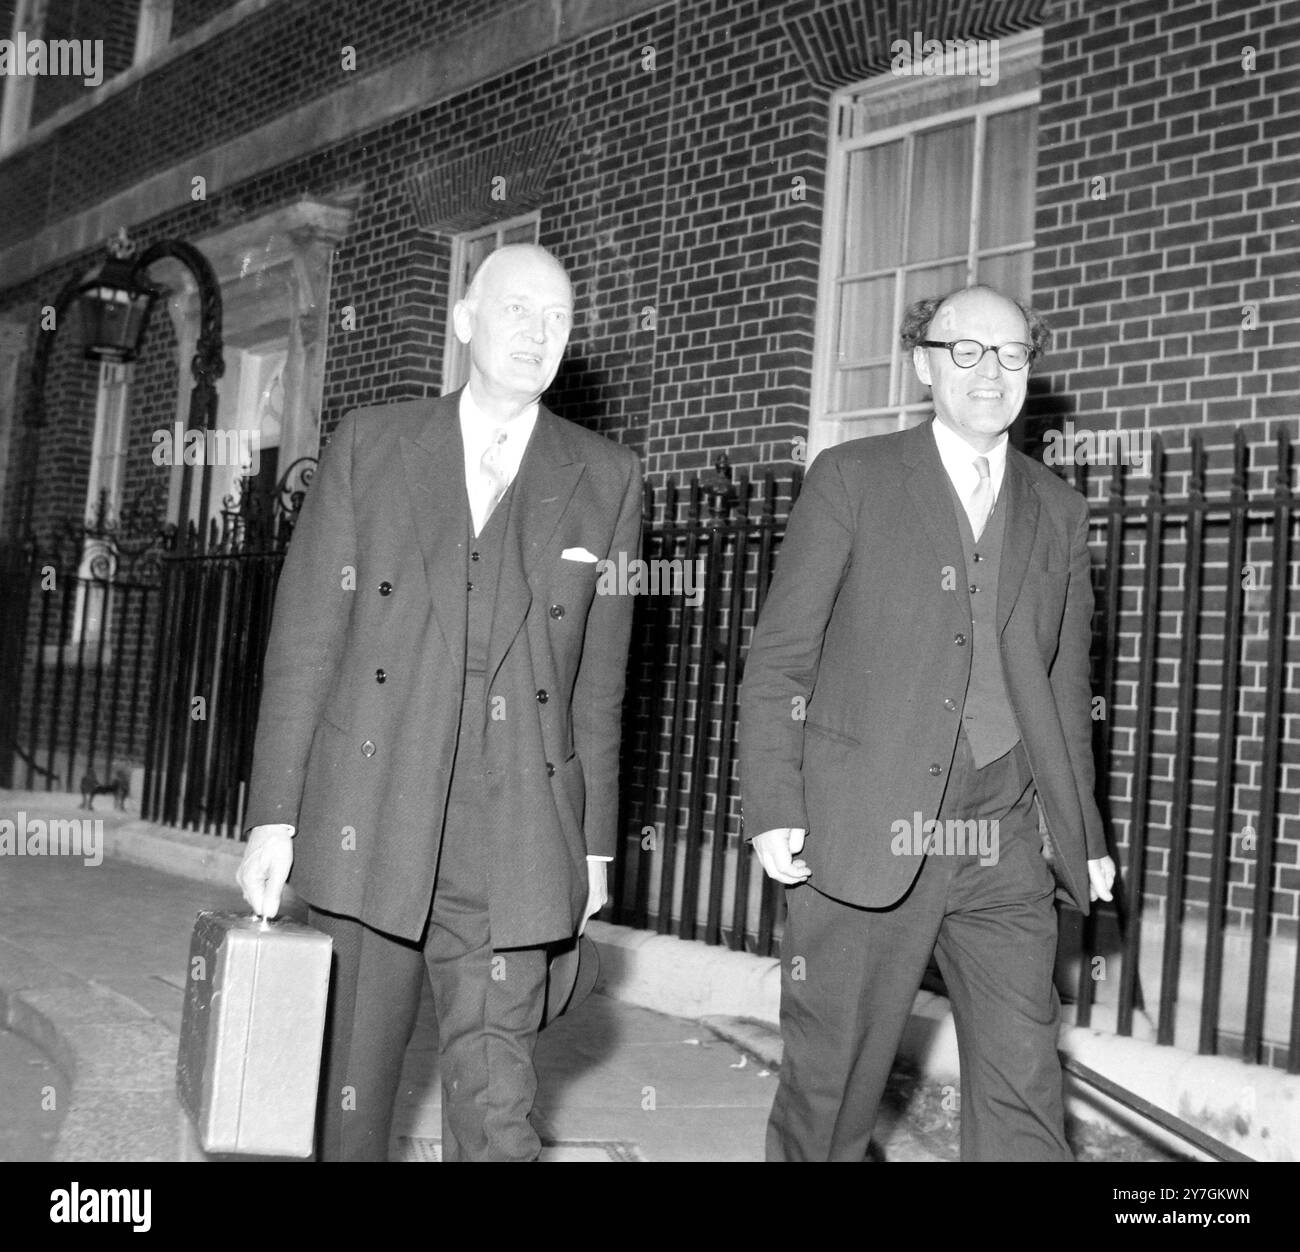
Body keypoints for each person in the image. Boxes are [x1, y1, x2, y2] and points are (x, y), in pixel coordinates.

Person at [236, 243, 642, 1161]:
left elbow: (599, 687)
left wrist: (595, 846)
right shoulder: (371, 445)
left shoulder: (606, 478)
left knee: (498, 1111)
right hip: (370, 815)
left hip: (515, 833)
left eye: (559, 318)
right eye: (517, 309)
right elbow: (304, 648)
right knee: (348, 1108)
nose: (538, 333)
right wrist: (274, 821)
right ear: (465, 321)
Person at [739, 284, 1116, 1162]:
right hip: (862, 830)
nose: (993, 372)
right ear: (923, 364)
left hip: (1003, 841)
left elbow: (1065, 688)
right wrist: (773, 801)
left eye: (1013, 353)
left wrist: (1082, 831)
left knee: (1025, 1091)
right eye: (968, 351)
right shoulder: (854, 478)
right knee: (830, 1094)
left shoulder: (1057, 510)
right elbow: (782, 657)